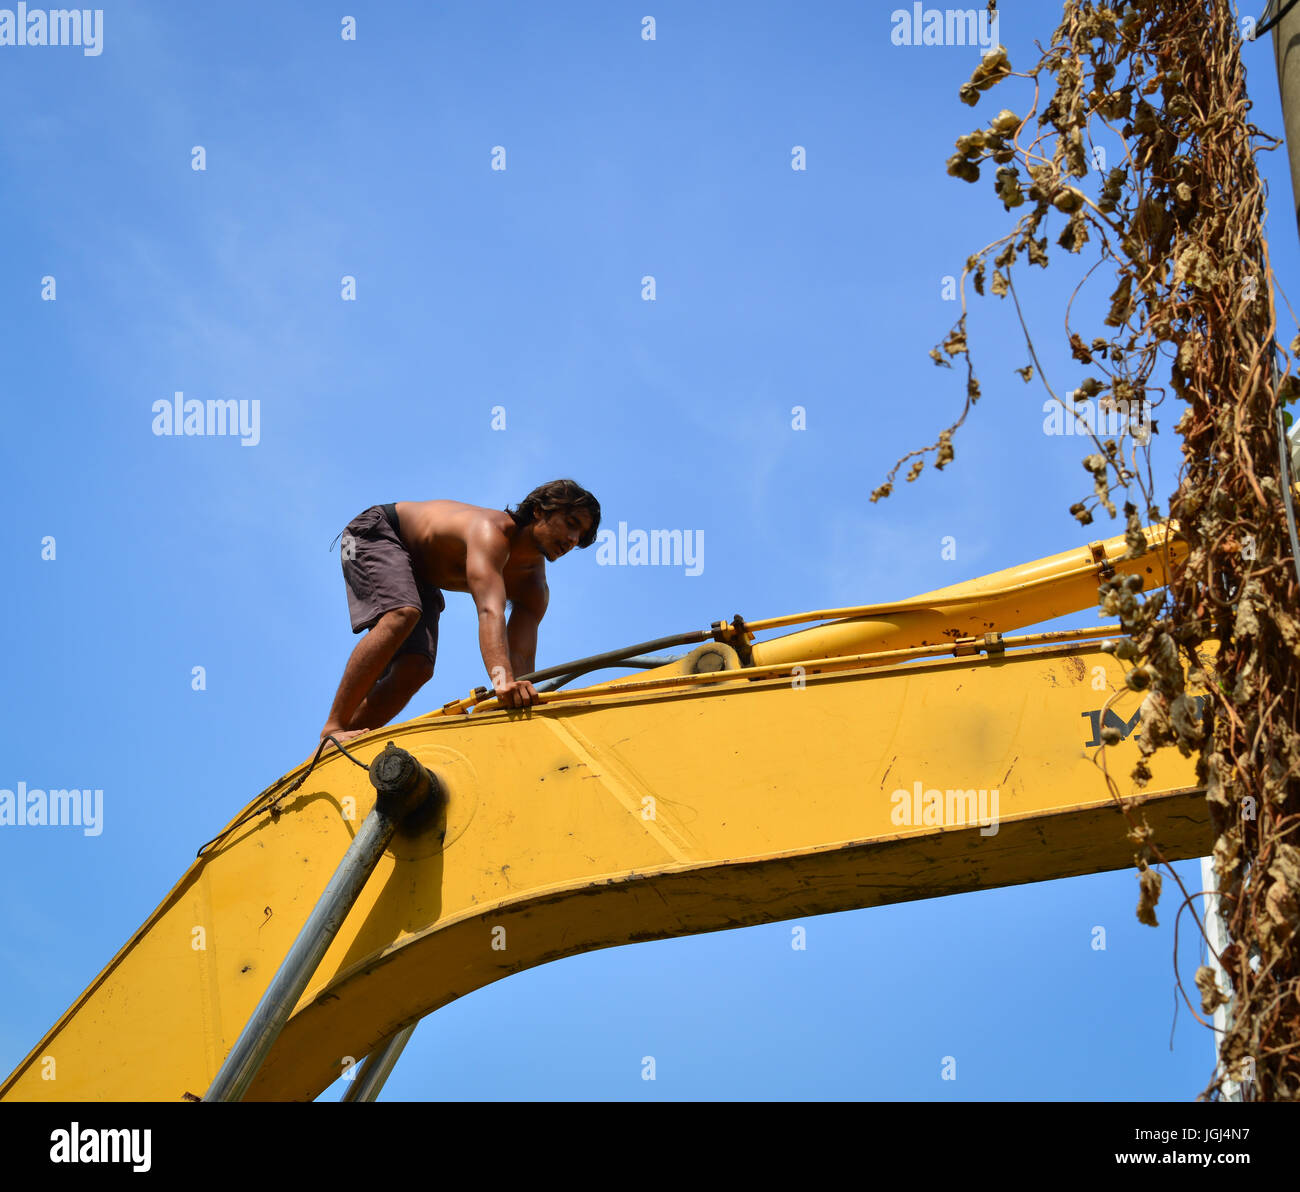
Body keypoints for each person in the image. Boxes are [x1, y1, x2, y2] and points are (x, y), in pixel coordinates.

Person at [320, 479, 600, 745]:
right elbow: (490, 610)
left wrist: (524, 705)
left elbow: (521, 659)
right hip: (372, 533)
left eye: (581, 536)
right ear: (539, 511)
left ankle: (346, 742)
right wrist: (502, 681)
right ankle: (333, 729)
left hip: (420, 574)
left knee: (417, 668)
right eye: (571, 524)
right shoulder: (491, 531)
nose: (573, 539)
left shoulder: (534, 588)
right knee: (402, 613)